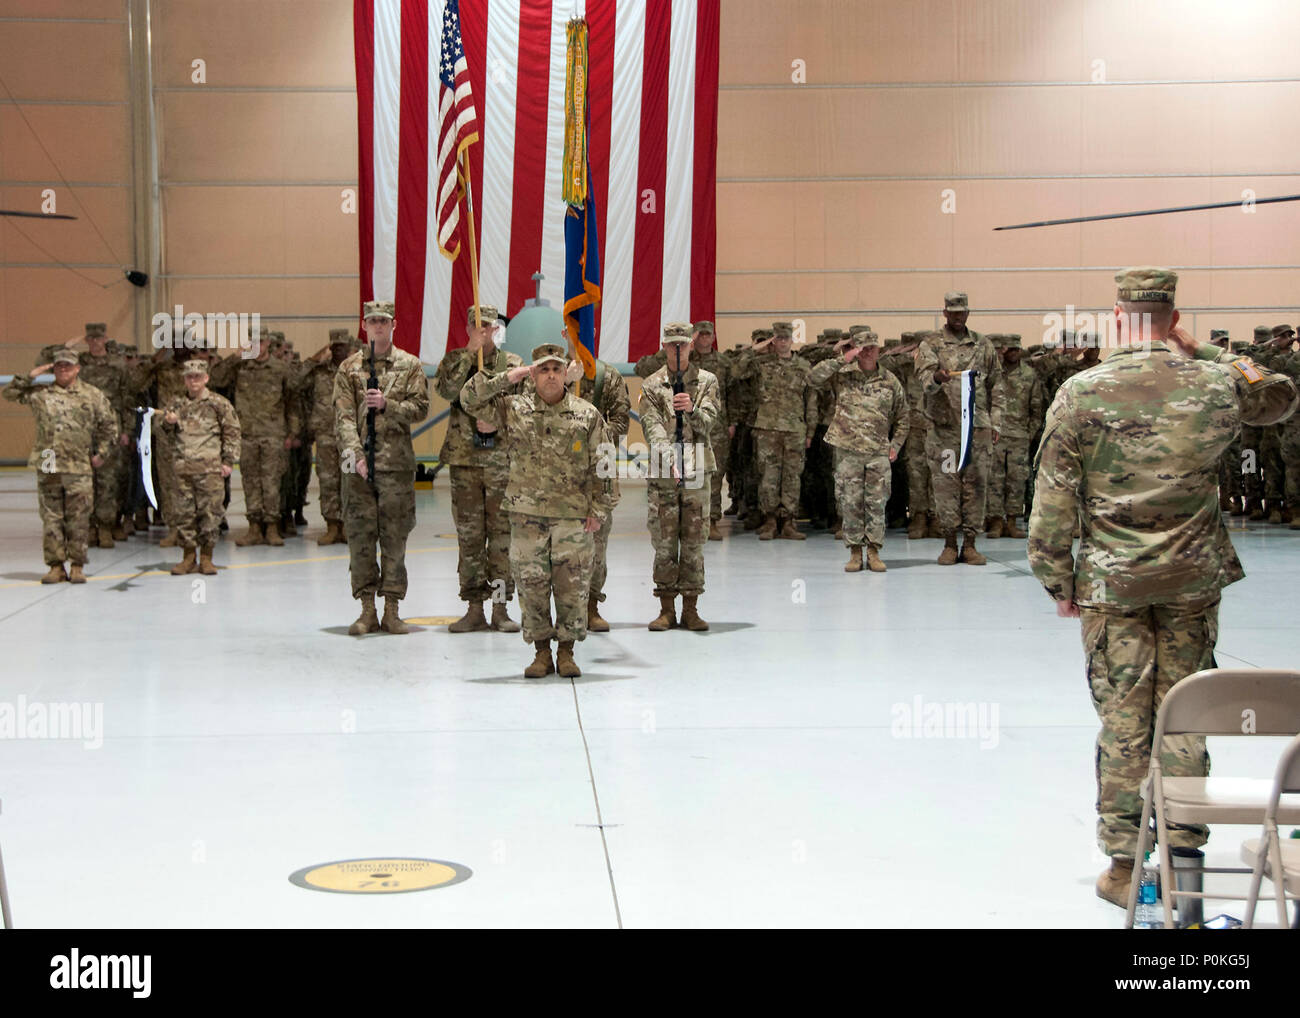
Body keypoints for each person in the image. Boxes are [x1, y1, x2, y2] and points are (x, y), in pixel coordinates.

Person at [1027, 266, 1298, 908]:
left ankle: (1125, 867)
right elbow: (1280, 394)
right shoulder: (1214, 382)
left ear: (1118, 318)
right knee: (1185, 717)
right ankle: (1184, 851)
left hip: (1112, 584)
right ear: (1174, 319)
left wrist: (1056, 580)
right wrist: (1201, 347)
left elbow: (1052, 503)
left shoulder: (1082, 392)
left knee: (1125, 722)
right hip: (1191, 581)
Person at [460, 343, 615, 678]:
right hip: (527, 515)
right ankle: (541, 652)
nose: (550, 376)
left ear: (565, 374)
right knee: (532, 586)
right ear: (533, 373)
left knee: (571, 586)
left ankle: (567, 652)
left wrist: (598, 510)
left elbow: (603, 465)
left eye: (556, 369)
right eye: (543, 369)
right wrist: (507, 376)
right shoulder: (514, 408)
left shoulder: (586, 414)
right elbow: (469, 399)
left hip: (572, 516)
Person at [334, 300, 430, 635]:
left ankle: (392, 609)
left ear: (393, 325)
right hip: (358, 469)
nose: (377, 326)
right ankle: (366, 610)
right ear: (364, 325)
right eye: (372, 321)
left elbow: (421, 409)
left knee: (395, 540)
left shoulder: (410, 365)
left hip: (396, 467)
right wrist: (356, 455)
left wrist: (389, 405)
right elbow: (343, 418)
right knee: (360, 539)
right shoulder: (348, 369)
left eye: (384, 321)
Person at [432, 305, 523, 633]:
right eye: (476, 325)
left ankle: (500, 608)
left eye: (488, 325)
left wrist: (497, 421)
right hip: (465, 460)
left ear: (497, 329)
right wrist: (469, 355)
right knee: (470, 538)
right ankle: (474, 607)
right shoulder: (454, 360)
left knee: (501, 539)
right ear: (468, 327)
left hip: (500, 462)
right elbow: (445, 391)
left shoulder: (512, 365)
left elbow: (524, 408)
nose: (483, 330)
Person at [3, 348, 116, 584]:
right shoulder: (41, 394)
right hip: (49, 464)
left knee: (79, 518)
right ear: (53, 369)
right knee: (51, 518)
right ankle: (55, 566)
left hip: (78, 466)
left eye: (68, 365)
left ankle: (76, 565)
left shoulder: (92, 395)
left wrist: (102, 453)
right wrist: (31, 375)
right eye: (59, 366)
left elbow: (109, 426)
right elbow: (10, 393)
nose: (63, 369)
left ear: (77, 368)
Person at [636, 322, 721, 630]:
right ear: (663, 345)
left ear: (690, 345)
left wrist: (693, 410)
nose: (677, 349)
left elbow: (709, 422)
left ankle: (691, 608)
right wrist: (668, 457)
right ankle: (666, 608)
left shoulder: (707, 381)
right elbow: (651, 425)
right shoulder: (652, 384)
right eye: (671, 344)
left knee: (695, 540)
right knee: (664, 540)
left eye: (682, 344)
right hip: (664, 472)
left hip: (697, 468)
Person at [807, 327, 909, 572]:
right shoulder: (843, 374)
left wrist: (895, 446)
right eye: (863, 349)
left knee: (876, 502)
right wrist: (843, 358)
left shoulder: (889, 380)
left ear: (879, 350)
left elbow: (904, 415)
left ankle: (874, 551)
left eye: (872, 348)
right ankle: (854, 552)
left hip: (877, 451)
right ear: (856, 350)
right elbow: (812, 378)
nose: (868, 353)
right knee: (850, 502)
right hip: (849, 450)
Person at [915, 292, 1003, 565]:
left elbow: (997, 385)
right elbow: (923, 380)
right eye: (952, 311)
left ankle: (971, 544)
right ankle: (950, 543)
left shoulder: (983, 345)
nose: (957, 316)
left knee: (976, 486)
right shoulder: (931, 344)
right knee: (946, 487)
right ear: (944, 313)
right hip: (944, 430)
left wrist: (996, 421)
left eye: (961, 311)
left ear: (967, 313)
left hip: (976, 428)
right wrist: (936, 378)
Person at [209, 327, 301, 546]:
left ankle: (271, 527)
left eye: (259, 341)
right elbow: (215, 379)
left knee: (271, 482)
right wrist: (234, 357)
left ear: (268, 342)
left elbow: (292, 401)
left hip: (273, 432)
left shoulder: (280, 369)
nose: (256, 345)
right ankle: (254, 528)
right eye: (252, 341)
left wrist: (293, 432)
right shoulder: (240, 366)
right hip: (247, 433)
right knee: (250, 481)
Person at [563, 351, 630, 632]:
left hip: (597, 471)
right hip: (558, 475)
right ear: (565, 331)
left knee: (596, 546)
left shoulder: (607, 376)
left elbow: (621, 422)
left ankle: (591, 606)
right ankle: (564, 609)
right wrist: (567, 381)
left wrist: (589, 433)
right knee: (558, 547)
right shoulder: (553, 373)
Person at [730, 321, 817, 540]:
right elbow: (736, 371)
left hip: (795, 429)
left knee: (792, 477)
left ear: (792, 340)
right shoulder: (761, 364)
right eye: (777, 339)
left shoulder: (804, 366)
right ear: (773, 340)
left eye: (786, 338)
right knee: (768, 476)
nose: (782, 342)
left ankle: (788, 521)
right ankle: (769, 520)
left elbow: (811, 400)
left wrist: (810, 432)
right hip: (767, 429)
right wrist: (755, 349)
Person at [160, 360, 241, 575]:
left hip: (210, 469)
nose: (193, 380)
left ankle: (206, 557)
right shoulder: (175, 403)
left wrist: (228, 461)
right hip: (183, 469)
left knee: (210, 514)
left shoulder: (218, 403)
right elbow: (162, 433)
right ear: (184, 379)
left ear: (206, 378)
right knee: (184, 514)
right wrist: (168, 422)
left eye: (197, 376)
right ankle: (188, 557)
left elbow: (232, 432)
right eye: (189, 376)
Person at [75, 323, 134, 547]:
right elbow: (46, 359)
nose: (95, 342)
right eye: (90, 338)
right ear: (86, 339)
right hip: (84, 427)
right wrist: (70, 342)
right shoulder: (78, 363)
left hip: (110, 427)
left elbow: (127, 398)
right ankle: (90, 527)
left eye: (99, 338)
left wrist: (127, 430)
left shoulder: (117, 365)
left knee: (110, 480)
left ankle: (107, 526)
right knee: (86, 480)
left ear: (106, 338)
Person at [985, 333, 1043, 539]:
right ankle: (995, 522)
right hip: (995, 436)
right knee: (994, 480)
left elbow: (1036, 408)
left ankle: (1012, 522)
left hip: (1019, 437)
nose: (1014, 353)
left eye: (1017, 349)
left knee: (1017, 481)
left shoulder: (1029, 375)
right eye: (1009, 350)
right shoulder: (993, 374)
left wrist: (1029, 434)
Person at [301, 329, 353, 544]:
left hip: (350, 436)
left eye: (342, 346)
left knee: (349, 481)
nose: (339, 350)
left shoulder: (357, 371)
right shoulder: (319, 372)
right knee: (328, 481)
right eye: (335, 347)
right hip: (325, 435)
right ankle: (332, 526)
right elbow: (295, 380)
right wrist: (313, 360)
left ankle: (348, 526)